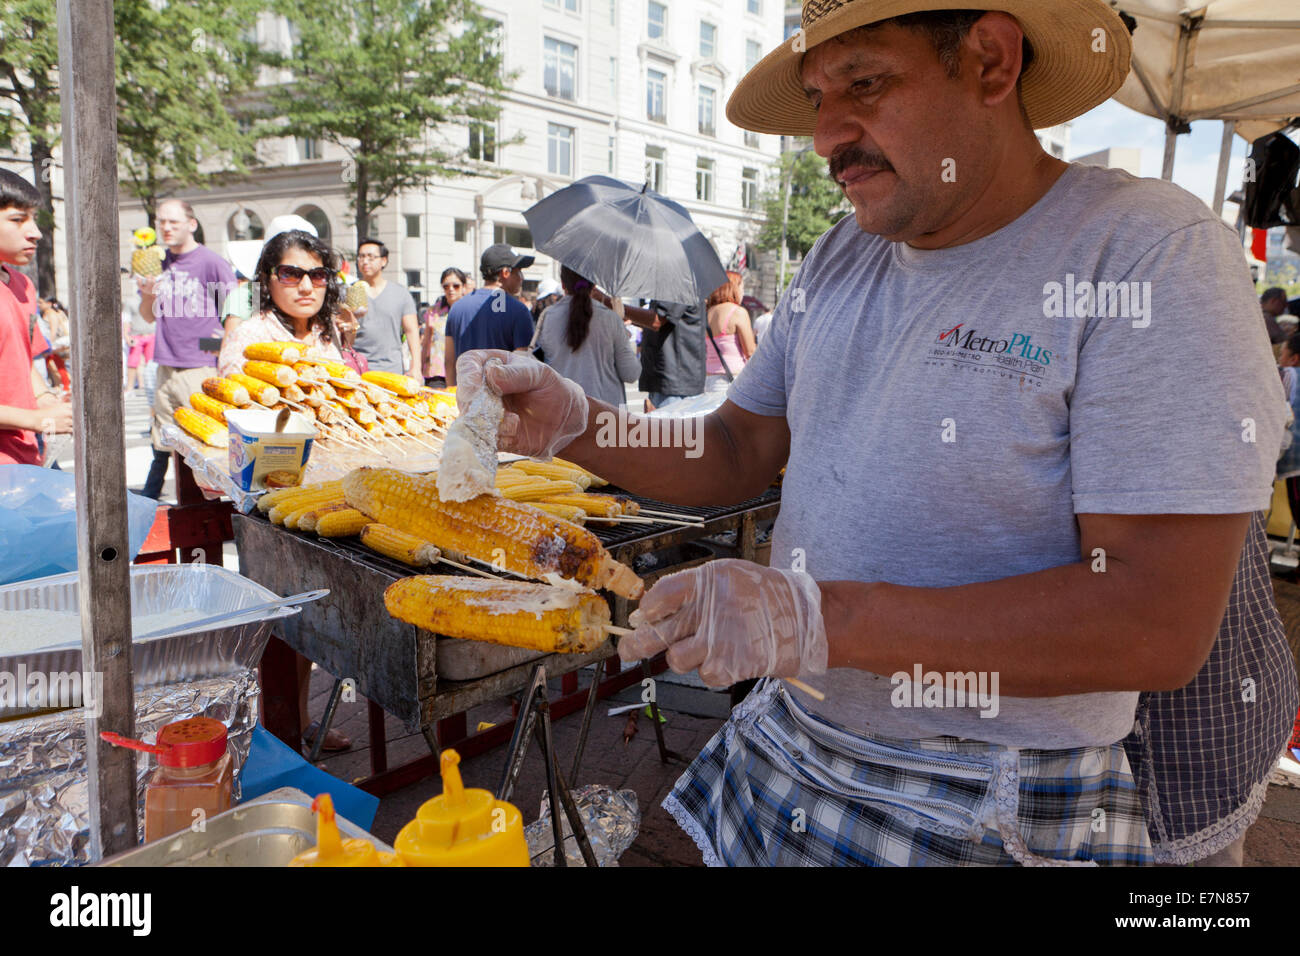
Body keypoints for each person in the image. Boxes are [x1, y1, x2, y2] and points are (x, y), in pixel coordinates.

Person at [456, 1, 1297, 867]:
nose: (826, 137)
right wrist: (580, 424)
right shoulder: (839, 258)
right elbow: (740, 447)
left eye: (864, 83)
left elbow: (1154, 619)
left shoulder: (1145, 252)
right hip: (794, 747)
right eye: (819, 97)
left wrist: (815, 615)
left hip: (997, 798)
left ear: (991, 63)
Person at [217, 229, 353, 753]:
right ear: (268, 279)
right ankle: (280, 725)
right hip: (271, 495)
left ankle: (302, 718)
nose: (304, 285)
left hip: (323, 490)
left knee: (317, 613)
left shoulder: (327, 336)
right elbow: (235, 415)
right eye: (290, 274)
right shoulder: (249, 334)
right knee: (284, 618)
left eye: (317, 275)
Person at [136, 198, 238, 500]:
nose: (166, 228)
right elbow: (147, 315)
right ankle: (185, 513)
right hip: (165, 364)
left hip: (200, 367)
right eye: (161, 222)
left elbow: (241, 310)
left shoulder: (211, 262)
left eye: (173, 222)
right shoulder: (156, 262)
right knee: (169, 448)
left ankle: (219, 517)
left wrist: (217, 350)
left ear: (191, 225)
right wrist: (147, 294)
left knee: (210, 449)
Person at [0, 170, 73, 464]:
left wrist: (46, 400)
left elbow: (22, 361)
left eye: (33, 219)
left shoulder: (24, 286)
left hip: (25, 460)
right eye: (18, 220)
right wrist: (37, 419)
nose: (35, 232)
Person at [533, 265, 640, 407]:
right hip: (606, 416)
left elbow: (538, 365)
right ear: (594, 284)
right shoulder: (611, 319)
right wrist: (622, 335)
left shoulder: (548, 317)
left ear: (563, 284)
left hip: (562, 413)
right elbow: (631, 373)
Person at [443, 243, 535, 387]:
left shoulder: (456, 308)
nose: (521, 278)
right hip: (503, 403)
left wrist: (451, 392)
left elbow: (449, 360)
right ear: (505, 272)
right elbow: (521, 367)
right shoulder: (519, 310)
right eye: (519, 271)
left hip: (465, 398)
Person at [351, 239, 419, 375]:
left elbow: (412, 331)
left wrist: (416, 368)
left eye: (371, 257)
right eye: (361, 256)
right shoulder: (351, 292)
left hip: (391, 369)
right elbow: (345, 332)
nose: (365, 261)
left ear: (383, 261)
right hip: (358, 368)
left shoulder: (400, 293)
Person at [704, 271, 756, 394]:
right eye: (741, 288)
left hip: (710, 379)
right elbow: (750, 351)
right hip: (733, 378)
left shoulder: (708, 312)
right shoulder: (737, 312)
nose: (742, 292)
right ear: (733, 288)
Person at [420, 267, 468, 386]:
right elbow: (426, 341)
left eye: (455, 286)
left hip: (463, 371)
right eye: (446, 286)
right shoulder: (434, 311)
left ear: (463, 287)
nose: (450, 289)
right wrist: (419, 367)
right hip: (437, 372)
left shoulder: (470, 310)